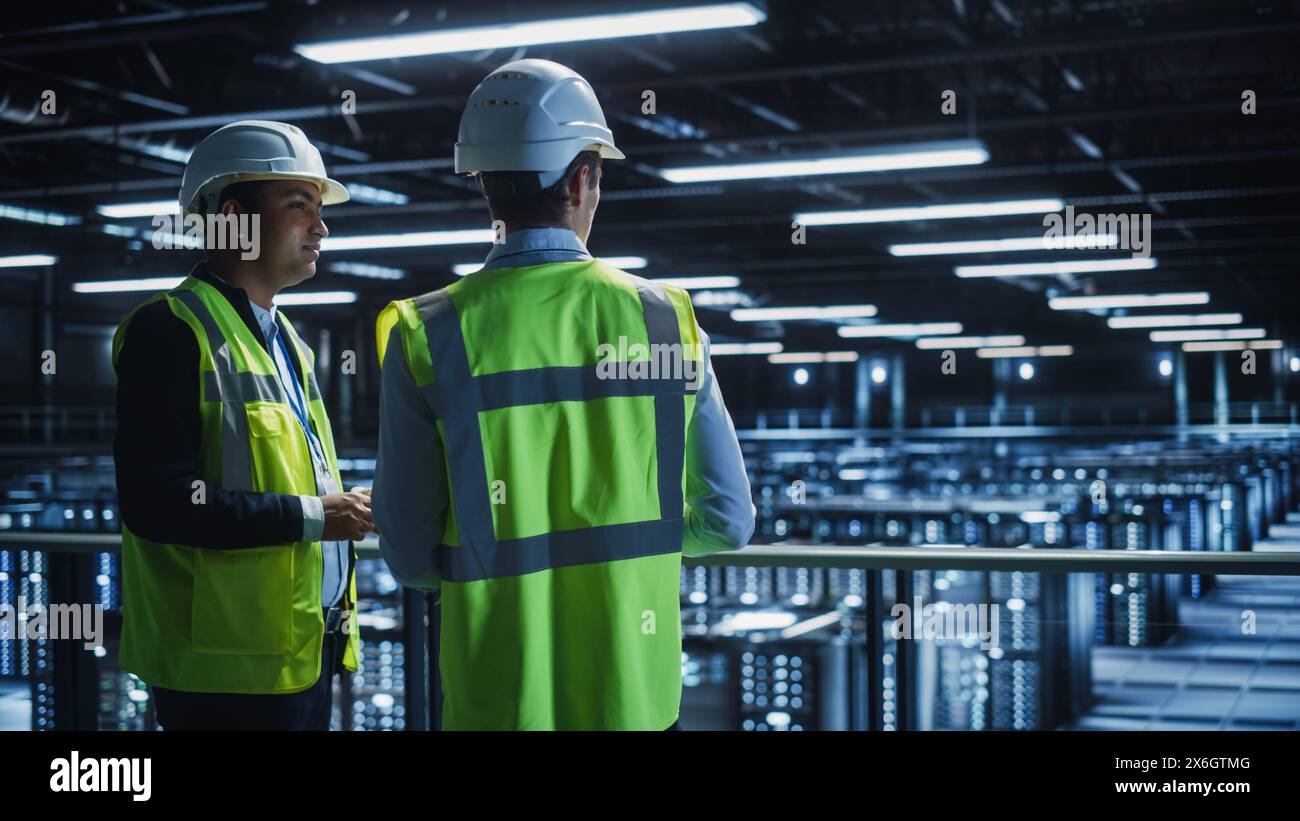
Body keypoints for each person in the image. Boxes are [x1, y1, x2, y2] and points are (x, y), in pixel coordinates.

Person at [372, 60, 754, 730]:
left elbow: (407, 551)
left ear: (484, 185)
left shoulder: (427, 331)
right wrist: (645, 547)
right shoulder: (666, 318)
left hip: (495, 698)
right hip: (633, 697)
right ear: (583, 178)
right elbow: (728, 518)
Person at [111, 120, 374, 730]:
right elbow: (154, 503)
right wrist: (316, 515)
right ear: (235, 216)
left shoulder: (289, 344)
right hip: (222, 674)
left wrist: (342, 507)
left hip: (302, 652)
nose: (321, 227)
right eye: (299, 206)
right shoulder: (170, 330)